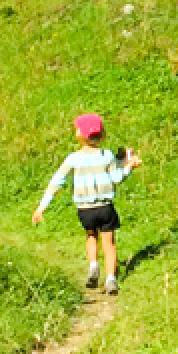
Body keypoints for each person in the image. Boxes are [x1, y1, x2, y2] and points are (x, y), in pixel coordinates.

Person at [31, 112, 142, 296]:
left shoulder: (73, 159)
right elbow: (116, 177)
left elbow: (56, 181)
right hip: (105, 207)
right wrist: (129, 166)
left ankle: (93, 267)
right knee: (109, 243)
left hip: (85, 210)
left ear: (79, 135)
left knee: (91, 236)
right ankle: (111, 279)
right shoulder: (106, 155)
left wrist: (41, 207)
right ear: (102, 134)